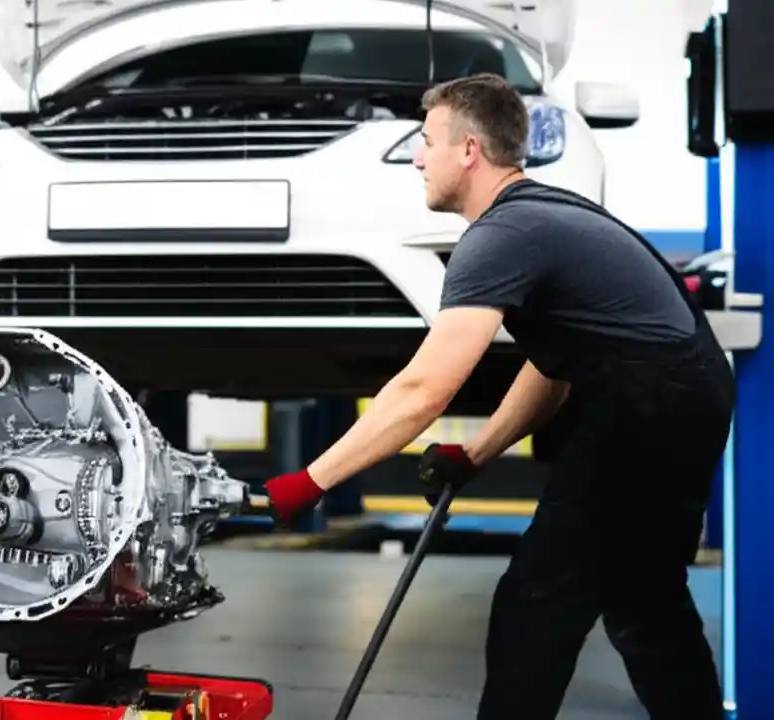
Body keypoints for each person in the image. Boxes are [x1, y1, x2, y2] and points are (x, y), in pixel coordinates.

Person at [261, 73, 735, 719]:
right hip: (685, 394)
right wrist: (479, 452)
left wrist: (310, 482)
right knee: (644, 601)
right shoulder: (544, 213)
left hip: (647, 406)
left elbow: (423, 389)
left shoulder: (499, 236)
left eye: (426, 141)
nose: (416, 158)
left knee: (537, 605)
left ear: (469, 151)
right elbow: (555, 364)